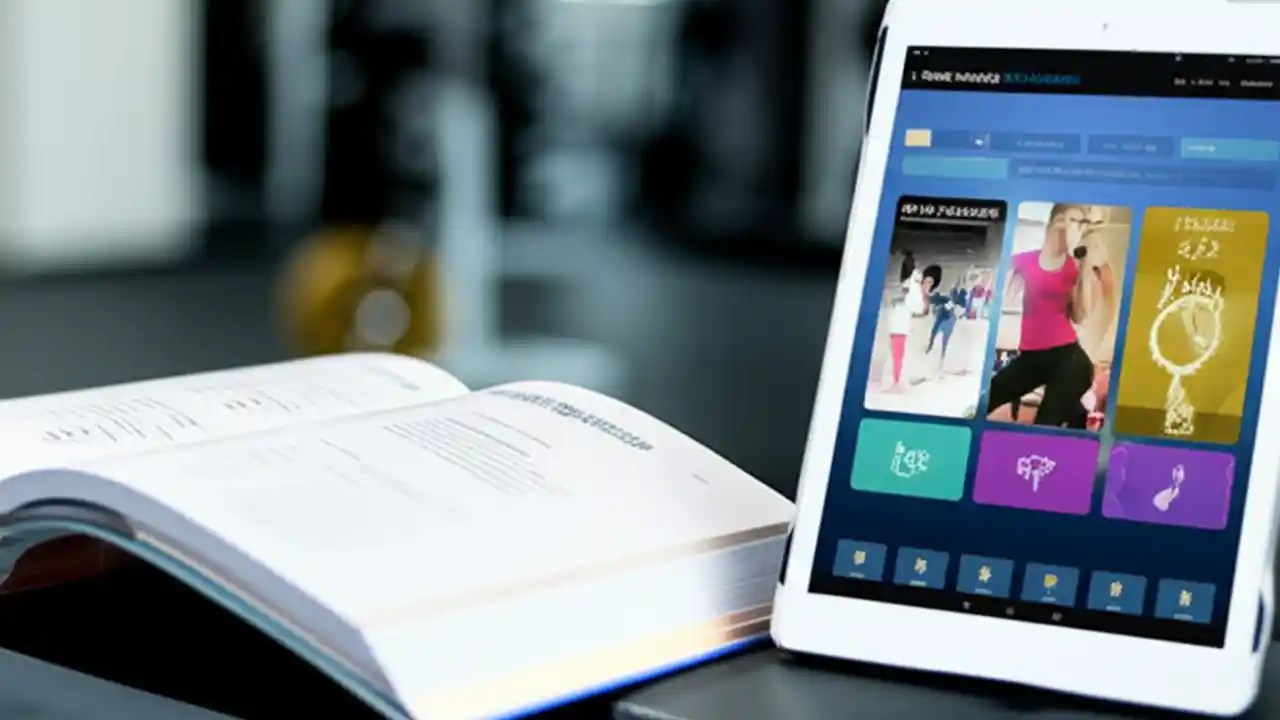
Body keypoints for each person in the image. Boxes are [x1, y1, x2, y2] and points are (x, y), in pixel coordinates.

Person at [983, 204, 1100, 428]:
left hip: (1069, 360)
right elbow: (993, 282)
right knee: (987, 398)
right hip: (1031, 358)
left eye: (1082, 223)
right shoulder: (1026, 260)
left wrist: (1085, 270)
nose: (1078, 228)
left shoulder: (1073, 268)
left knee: (1045, 426)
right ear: (1056, 222)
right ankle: (1078, 419)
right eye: (1073, 220)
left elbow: (1079, 316)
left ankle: (1076, 423)